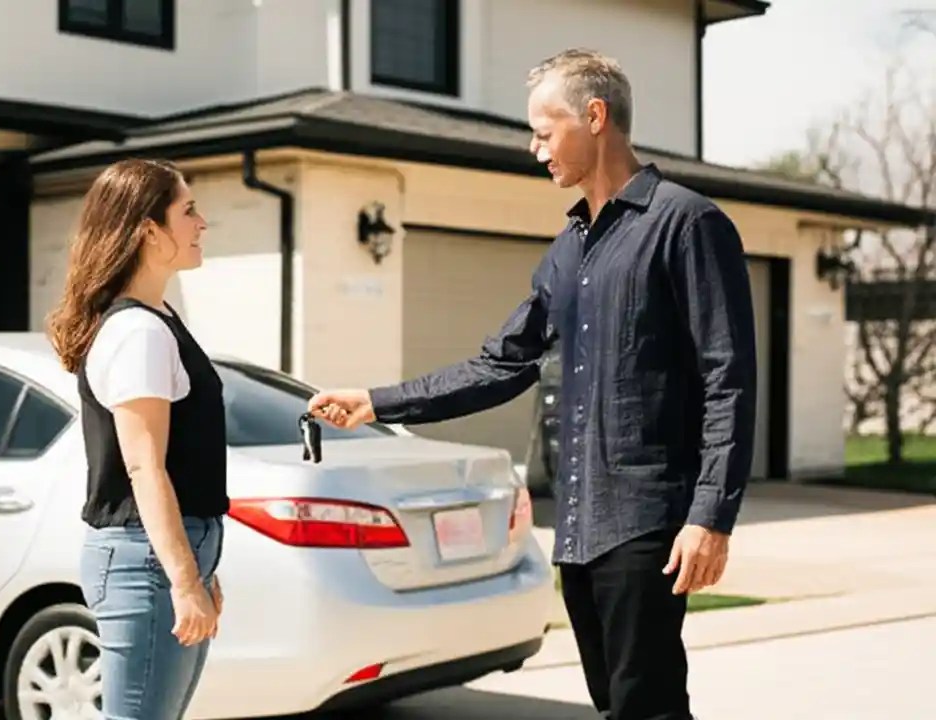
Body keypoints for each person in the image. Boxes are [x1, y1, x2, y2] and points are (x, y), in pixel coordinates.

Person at [309, 49, 756, 720]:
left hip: (648, 521)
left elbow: (729, 378)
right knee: (614, 702)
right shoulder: (567, 250)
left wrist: (709, 517)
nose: (534, 148)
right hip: (577, 527)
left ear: (595, 116)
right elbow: (500, 365)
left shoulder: (686, 224)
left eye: (544, 132)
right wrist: (377, 401)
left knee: (648, 704)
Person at [46, 158, 228, 720]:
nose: (202, 223)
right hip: (143, 565)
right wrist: (183, 579)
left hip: (154, 561)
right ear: (149, 230)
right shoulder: (137, 331)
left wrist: (201, 571)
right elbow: (145, 468)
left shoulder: (156, 318)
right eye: (189, 210)